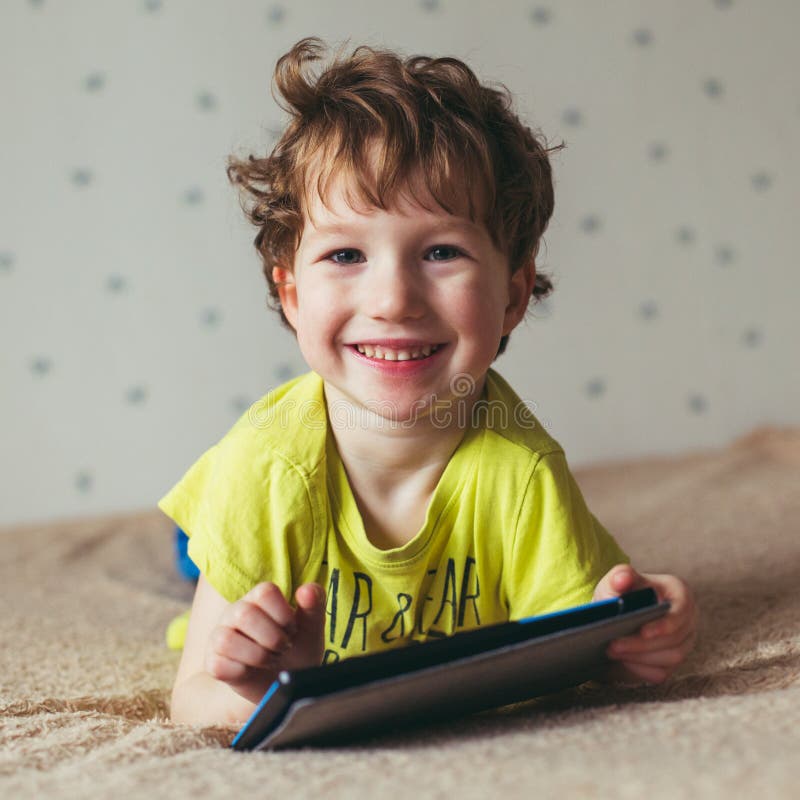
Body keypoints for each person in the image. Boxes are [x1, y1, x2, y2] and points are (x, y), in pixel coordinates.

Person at [159, 37, 697, 727]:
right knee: (202, 564)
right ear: (291, 294)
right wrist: (265, 682)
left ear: (512, 294)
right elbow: (192, 700)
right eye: (346, 253)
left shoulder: (521, 473)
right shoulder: (262, 470)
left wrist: (638, 640)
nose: (393, 299)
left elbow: (582, 645)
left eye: (441, 251)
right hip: (271, 507)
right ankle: (195, 549)